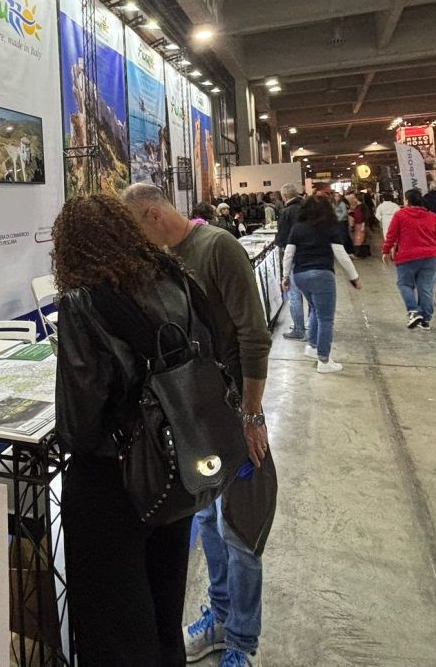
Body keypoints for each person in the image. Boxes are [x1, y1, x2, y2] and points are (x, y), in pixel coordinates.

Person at [53, 194, 228, 666]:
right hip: (180, 459)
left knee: (114, 623)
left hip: (115, 480)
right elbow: (211, 352)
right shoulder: (176, 277)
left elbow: (79, 425)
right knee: (164, 603)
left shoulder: (81, 302)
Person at [121, 184, 272, 667]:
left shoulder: (217, 248)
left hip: (234, 411)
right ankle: (221, 618)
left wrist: (251, 413)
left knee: (241, 531)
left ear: (153, 214)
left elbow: (254, 333)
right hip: (196, 417)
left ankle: (243, 642)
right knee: (207, 521)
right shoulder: (166, 261)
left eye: (136, 231)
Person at [281, 194, 360, 371]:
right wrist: (353, 277)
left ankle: (312, 346)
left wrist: (285, 277)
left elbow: (288, 254)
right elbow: (341, 255)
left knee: (315, 310)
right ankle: (324, 360)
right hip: (322, 275)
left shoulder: (297, 228)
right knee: (326, 318)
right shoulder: (330, 228)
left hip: (300, 276)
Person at [381, 189, 436, 329]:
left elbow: (391, 235)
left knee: (405, 284)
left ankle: (413, 311)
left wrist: (386, 251)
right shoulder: (432, 216)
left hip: (407, 257)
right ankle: (426, 320)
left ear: (407, 201)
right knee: (426, 288)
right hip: (431, 257)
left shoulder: (400, 215)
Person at [274, 182, 308, 340]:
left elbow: (282, 239)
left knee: (294, 294)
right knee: (310, 295)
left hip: (294, 257)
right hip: (311, 256)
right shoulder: (309, 208)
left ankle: (299, 329)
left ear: (284, 196)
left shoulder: (287, 212)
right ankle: (312, 327)